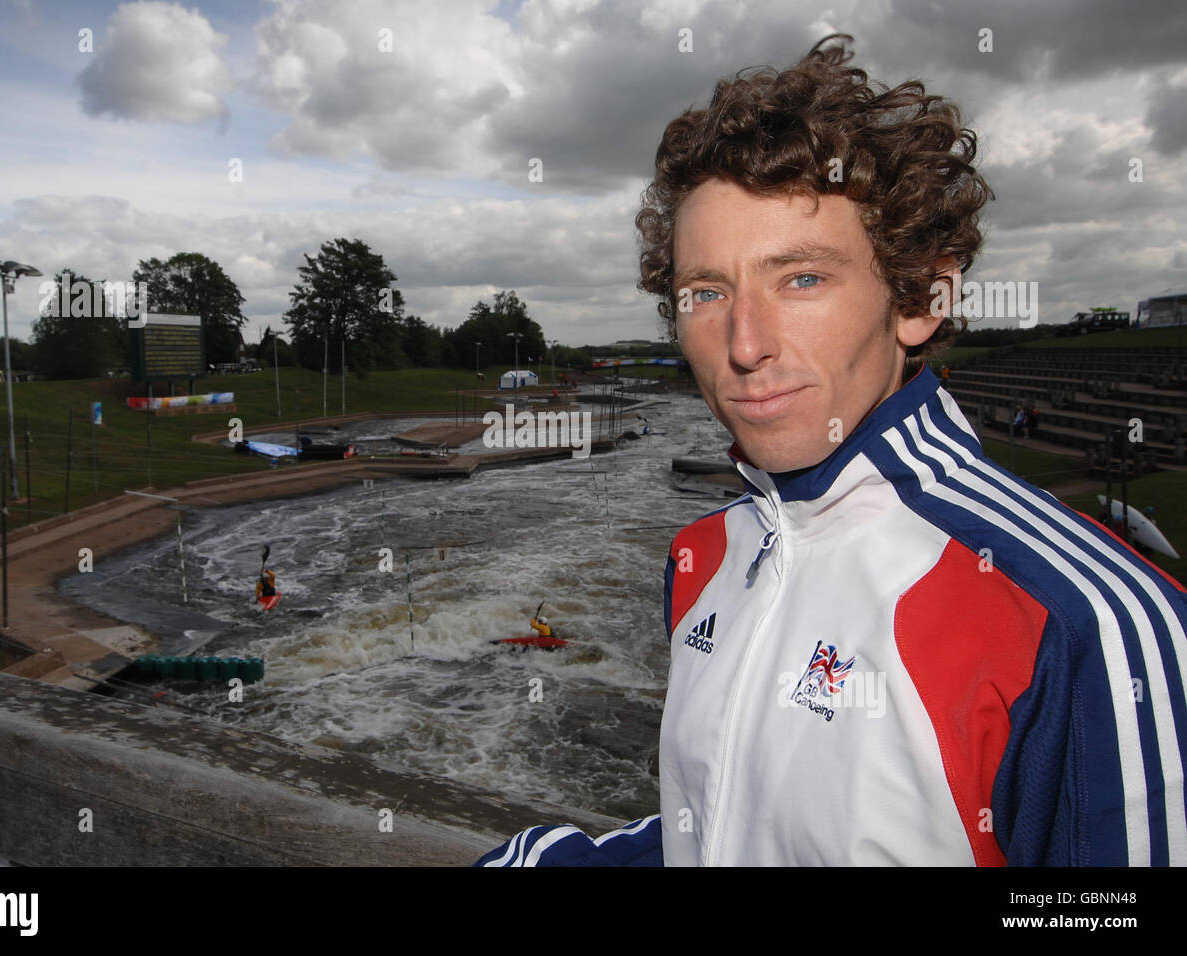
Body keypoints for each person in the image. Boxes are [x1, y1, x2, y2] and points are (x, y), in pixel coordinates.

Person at [477, 34, 1186, 867]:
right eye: (706, 292)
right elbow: (723, 829)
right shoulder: (703, 557)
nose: (744, 344)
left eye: (802, 279)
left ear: (919, 299)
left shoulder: (1087, 623)